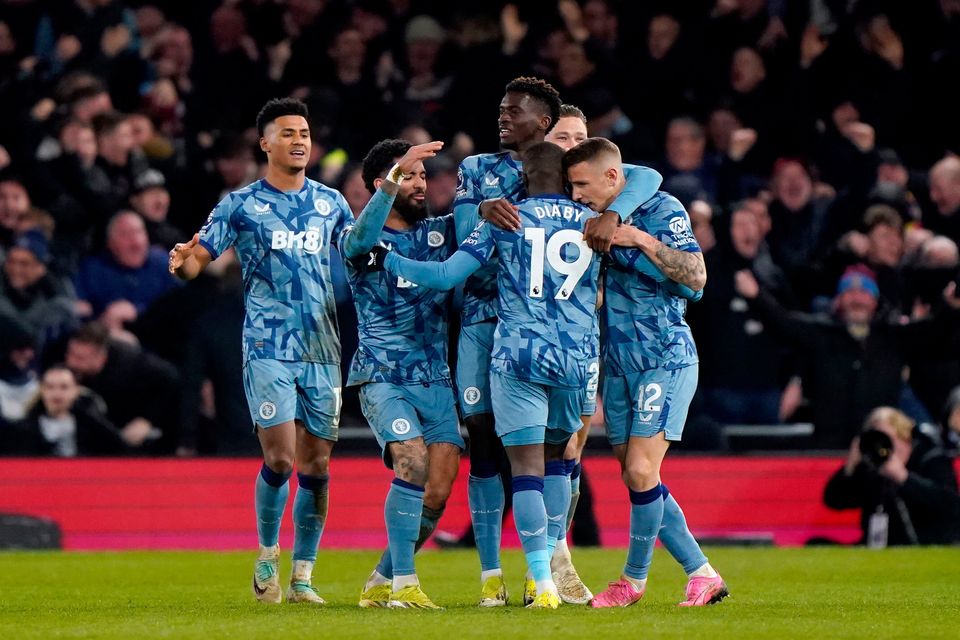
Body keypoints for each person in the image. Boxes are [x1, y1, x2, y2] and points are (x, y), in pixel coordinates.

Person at [167, 98, 421, 605]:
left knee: (318, 467)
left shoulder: (329, 202)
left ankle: (303, 577)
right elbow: (200, 257)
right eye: (287, 133)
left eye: (304, 132)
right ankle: (267, 552)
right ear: (265, 143)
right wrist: (184, 261)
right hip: (267, 346)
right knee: (280, 459)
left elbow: (355, 248)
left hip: (322, 349)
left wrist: (387, 193)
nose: (299, 140)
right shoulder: (240, 204)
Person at [453, 76, 663, 606]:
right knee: (482, 440)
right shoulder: (480, 169)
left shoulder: (575, 177)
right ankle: (491, 573)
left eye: (513, 110)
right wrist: (478, 211)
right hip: (488, 319)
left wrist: (614, 211)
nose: (502, 116)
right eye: (501, 109)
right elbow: (457, 230)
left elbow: (647, 175)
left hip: (560, 332)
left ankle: (548, 562)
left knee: (560, 449)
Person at [366, 142, 602, 608]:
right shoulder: (595, 223)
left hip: (520, 355)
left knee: (524, 470)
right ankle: (554, 569)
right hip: (577, 359)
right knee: (561, 460)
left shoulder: (505, 219)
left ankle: (540, 583)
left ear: (525, 177)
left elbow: (446, 274)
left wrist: (388, 259)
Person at [562, 137, 727, 608]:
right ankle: (702, 573)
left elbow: (696, 276)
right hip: (616, 366)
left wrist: (641, 239)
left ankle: (632, 581)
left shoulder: (660, 209)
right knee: (640, 476)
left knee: (639, 468)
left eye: (582, 185)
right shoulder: (583, 219)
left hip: (664, 357)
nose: (577, 195)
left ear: (613, 178)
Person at [344, 138, 459, 610]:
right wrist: (392, 182)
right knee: (411, 460)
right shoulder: (360, 237)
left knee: (439, 489)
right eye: (407, 175)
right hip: (382, 374)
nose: (419, 183)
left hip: (436, 377)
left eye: (420, 175)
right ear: (382, 184)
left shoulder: (440, 232)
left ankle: (381, 578)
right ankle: (405, 586)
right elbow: (357, 242)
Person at [543, 102, 595, 601]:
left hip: (583, 341)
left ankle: (559, 554)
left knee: (572, 447)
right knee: (531, 451)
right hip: (527, 341)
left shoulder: (602, 200)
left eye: (580, 137)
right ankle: (543, 562)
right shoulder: (526, 193)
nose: (573, 145)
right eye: (562, 137)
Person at [823, 407, 960, 545]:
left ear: (904, 436)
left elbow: (949, 504)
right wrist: (850, 467)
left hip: (925, 541)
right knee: (818, 543)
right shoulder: (872, 466)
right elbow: (834, 501)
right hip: (880, 546)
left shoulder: (931, 458)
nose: (883, 448)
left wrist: (904, 477)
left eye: (887, 439)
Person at [5, 364, 126, 456]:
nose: (56, 394)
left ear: (75, 391)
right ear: (41, 390)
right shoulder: (23, 430)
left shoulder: (93, 426)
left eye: (64, 387)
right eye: (50, 387)